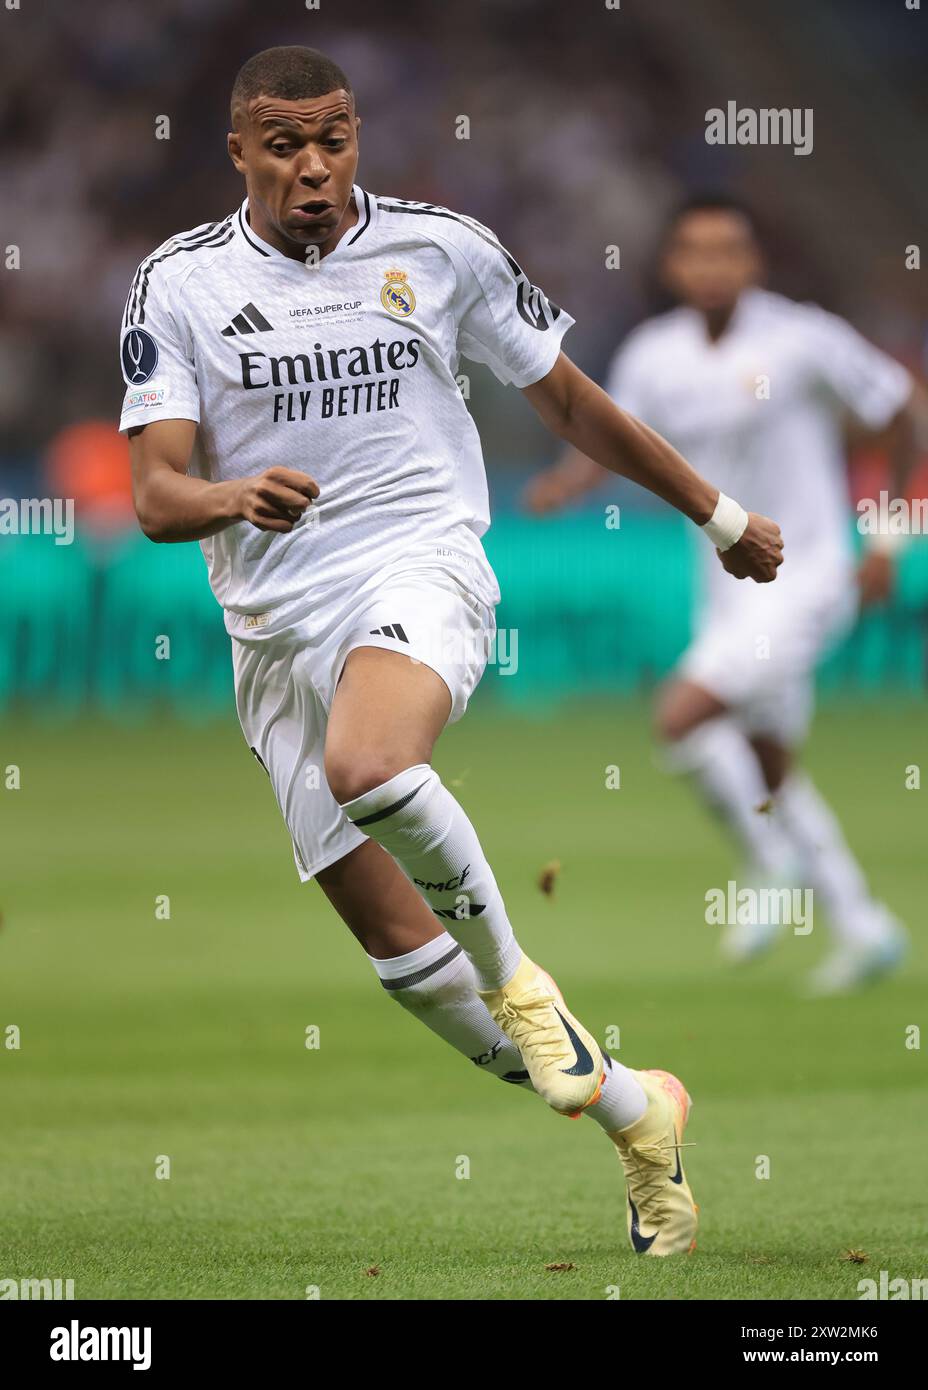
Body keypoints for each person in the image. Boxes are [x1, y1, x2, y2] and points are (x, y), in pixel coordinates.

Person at [120, 51, 782, 1256]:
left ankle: (527, 985)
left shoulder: (444, 249)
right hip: (271, 632)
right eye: (282, 144)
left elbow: (572, 402)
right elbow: (157, 494)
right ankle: (642, 1115)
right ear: (238, 153)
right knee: (414, 972)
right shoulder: (180, 285)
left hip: (417, 564)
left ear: (357, 136)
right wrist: (229, 496)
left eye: (331, 139)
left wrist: (718, 515)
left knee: (369, 763)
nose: (310, 166)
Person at [525, 194, 916, 995]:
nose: (711, 266)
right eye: (694, 252)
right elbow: (617, 435)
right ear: (672, 266)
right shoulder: (654, 353)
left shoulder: (803, 338)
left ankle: (770, 866)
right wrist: (569, 483)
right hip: (727, 590)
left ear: (753, 262)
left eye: (727, 250)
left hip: (806, 576)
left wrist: (887, 539)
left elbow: (903, 415)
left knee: (682, 718)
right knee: (769, 766)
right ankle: (863, 924)